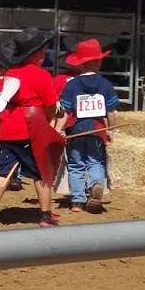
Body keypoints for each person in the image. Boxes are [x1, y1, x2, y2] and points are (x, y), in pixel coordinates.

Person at [0, 27, 61, 228]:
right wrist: (47, 125)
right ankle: (45, 215)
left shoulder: (10, 75)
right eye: (43, 50)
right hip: (31, 130)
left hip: (8, 129)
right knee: (41, 172)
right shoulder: (42, 76)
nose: (45, 53)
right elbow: (51, 105)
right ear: (34, 54)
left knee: (3, 171)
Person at [60, 39, 120, 213]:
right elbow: (111, 112)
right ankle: (95, 184)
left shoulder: (71, 85)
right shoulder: (106, 85)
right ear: (98, 61)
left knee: (76, 164)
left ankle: (77, 201)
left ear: (80, 63)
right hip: (97, 129)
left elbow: (65, 111)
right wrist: (111, 131)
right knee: (96, 161)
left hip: (76, 129)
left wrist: (58, 130)